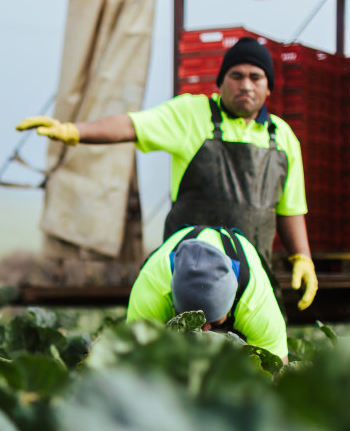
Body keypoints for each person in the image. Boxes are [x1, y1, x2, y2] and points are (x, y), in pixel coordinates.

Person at [16, 37, 318, 310]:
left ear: (269, 87)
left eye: (256, 77)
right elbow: (131, 125)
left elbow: (289, 210)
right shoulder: (191, 114)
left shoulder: (283, 138)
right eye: (236, 76)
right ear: (221, 81)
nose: (246, 85)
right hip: (188, 278)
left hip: (251, 282)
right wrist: (74, 131)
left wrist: (301, 257)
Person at [127, 225, 288, 362]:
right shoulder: (152, 288)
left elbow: (276, 373)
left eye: (215, 323)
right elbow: (133, 367)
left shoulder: (255, 303)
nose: (205, 330)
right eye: (191, 321)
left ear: (232, 302)